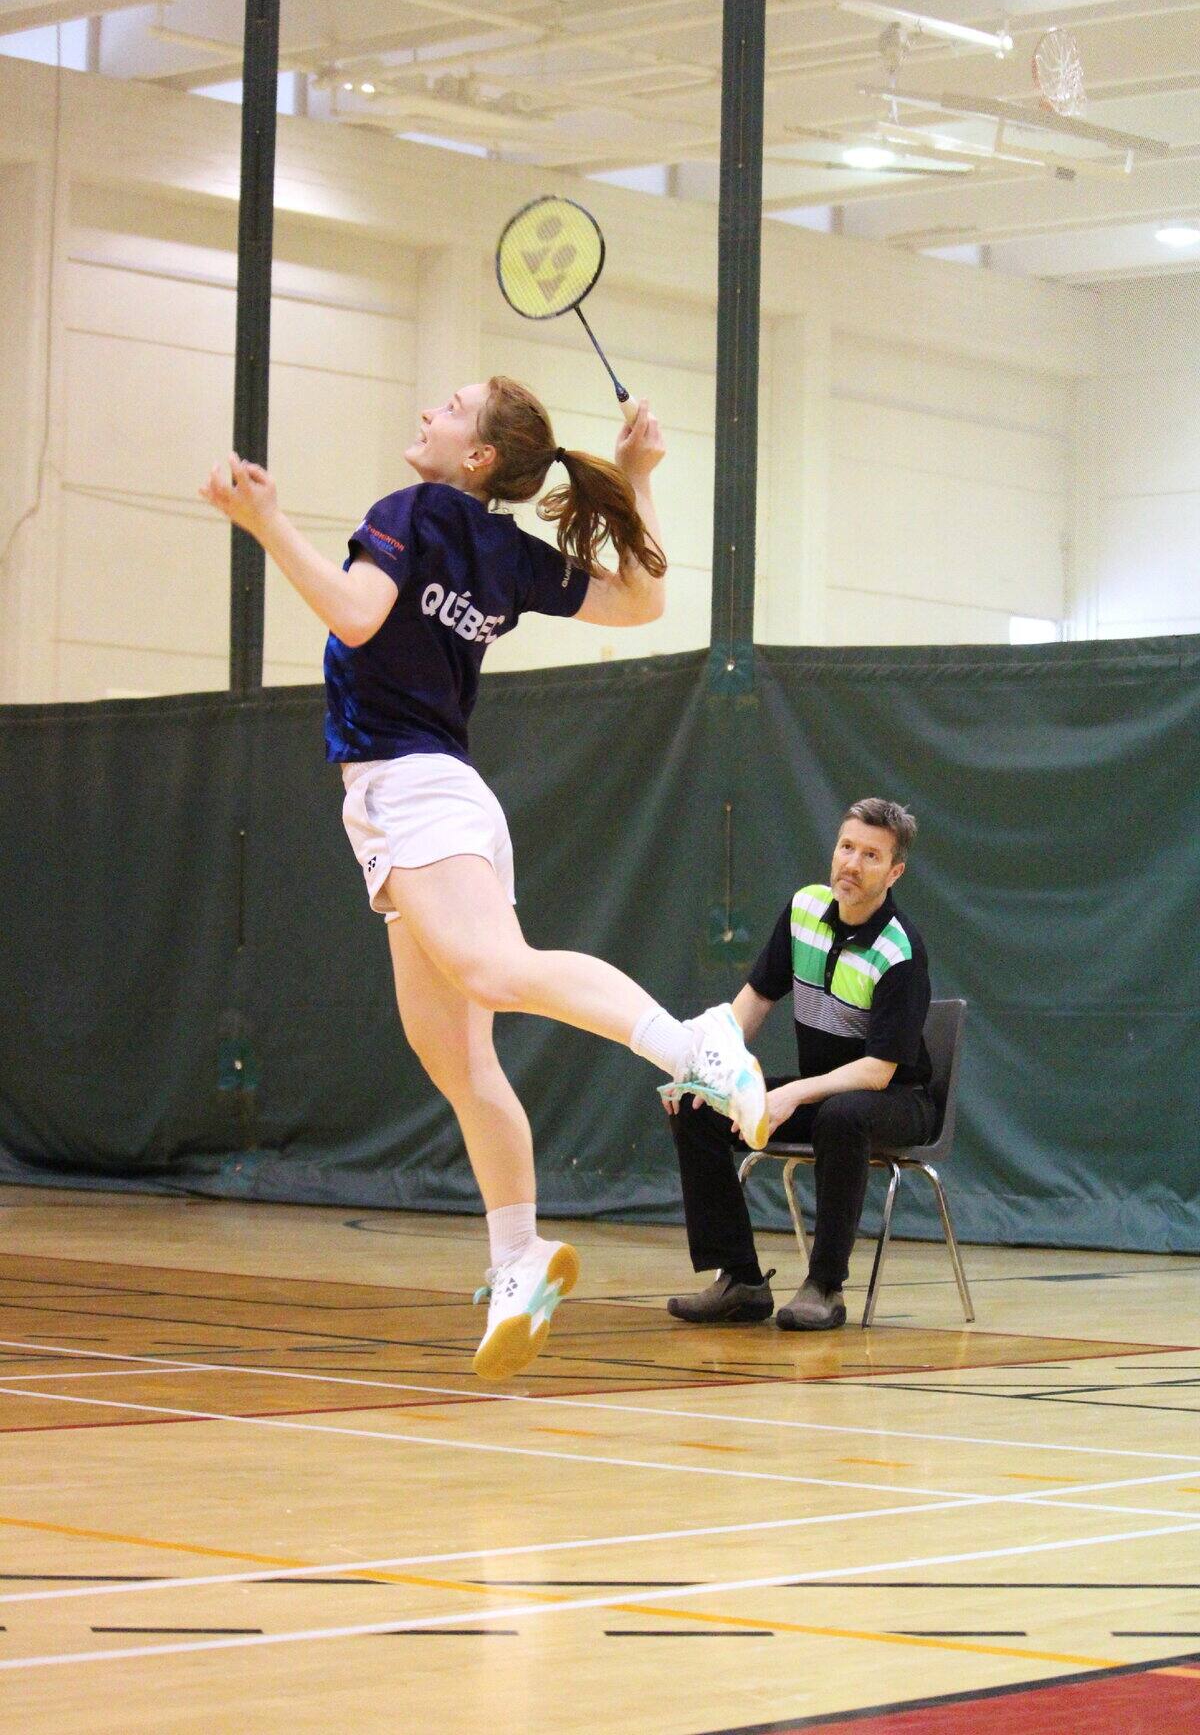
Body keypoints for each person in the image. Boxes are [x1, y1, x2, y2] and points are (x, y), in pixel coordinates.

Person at [200, 376, 768, 1382]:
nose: (429, 409)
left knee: (493, 970)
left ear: (476, 459)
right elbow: (643, 599)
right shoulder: (496, 549)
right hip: (415, 801)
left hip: (418, 790)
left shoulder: (408, 514)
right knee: (454, 1057)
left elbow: (355, 616)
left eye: (451, 406)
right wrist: (634, 480)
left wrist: (266, 520)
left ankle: (696, 1043)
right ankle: (521, 1257)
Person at [663, 798, 936, 1332]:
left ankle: (825, 1286)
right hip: (824, 1093)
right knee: (696, 1108)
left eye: (871, 856)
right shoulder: (803, 911)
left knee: (843, 1116)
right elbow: (751, 1004)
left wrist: (789, 1094)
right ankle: (741, 1279)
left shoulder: (900, 951)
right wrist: (705, 1070)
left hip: (898, 1100)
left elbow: (877, 1072)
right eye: (846, 847)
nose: (852, 864)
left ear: (894, 872)